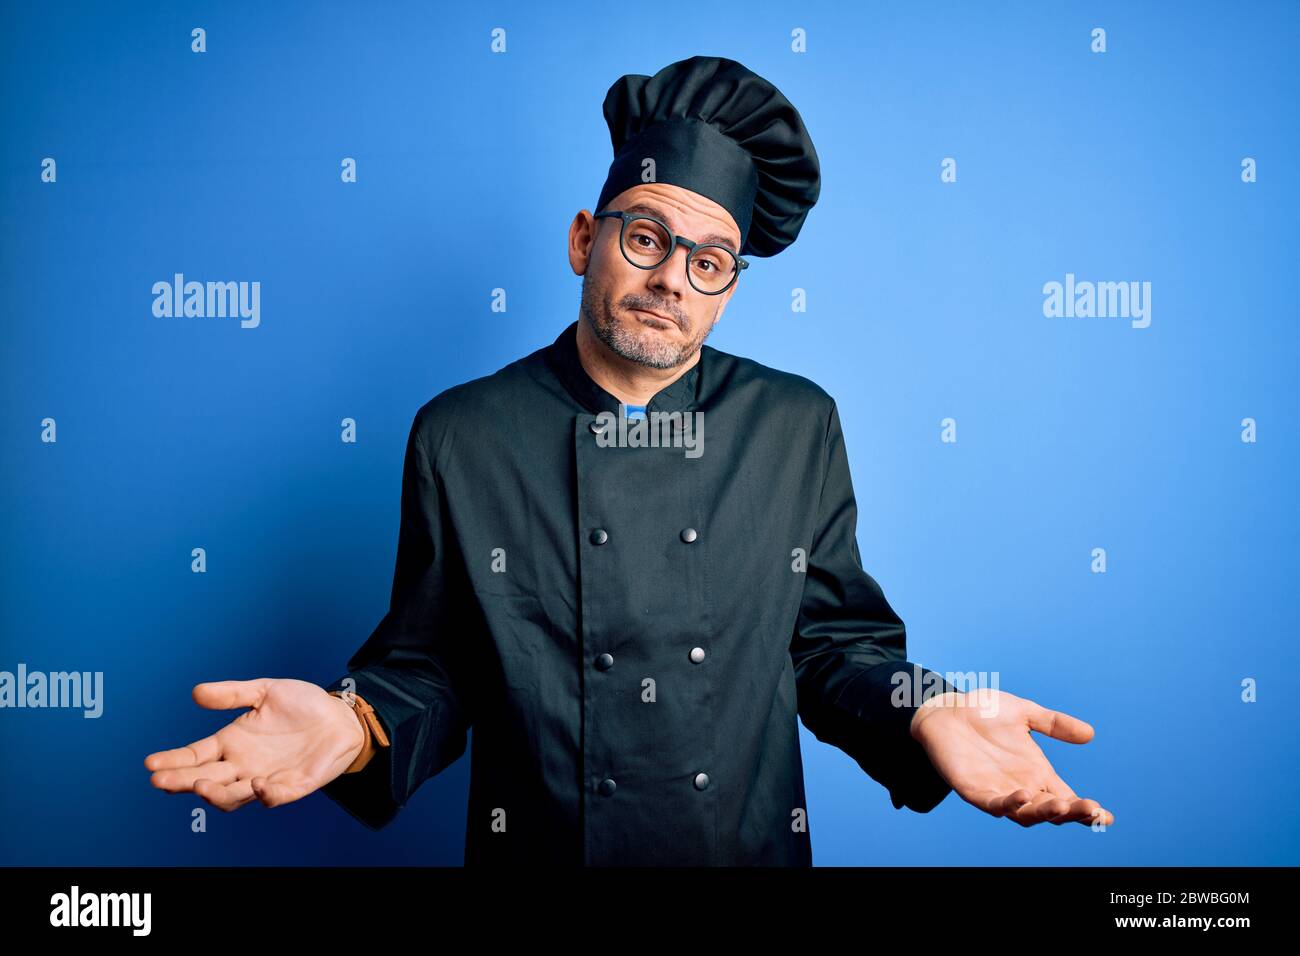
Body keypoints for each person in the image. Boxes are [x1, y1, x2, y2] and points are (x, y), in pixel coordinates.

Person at [144, 55, 1113, 865]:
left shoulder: (794, 424)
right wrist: (353, 721)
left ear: (729, 286)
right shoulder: (463, 432)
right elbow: (436, 665)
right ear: (584, 239)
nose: (668, 281)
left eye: (708, 259)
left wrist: (922, 706)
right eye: (645, 236)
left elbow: (832, 649)